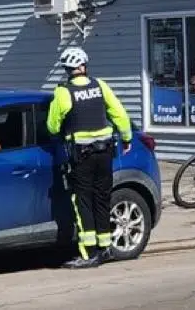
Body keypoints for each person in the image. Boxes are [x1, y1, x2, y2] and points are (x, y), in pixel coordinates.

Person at [46, 46, 132, 269]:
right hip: (105, 153)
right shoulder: (100, 86)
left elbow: (52, 126)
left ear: (67, 69)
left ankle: (89, 254)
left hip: (82, 156)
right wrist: (127, 137)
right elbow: (119, 114)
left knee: (82, 201)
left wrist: (59, 128)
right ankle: (106, 249)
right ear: (84, 66)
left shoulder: (64, 92)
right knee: (102, 198)